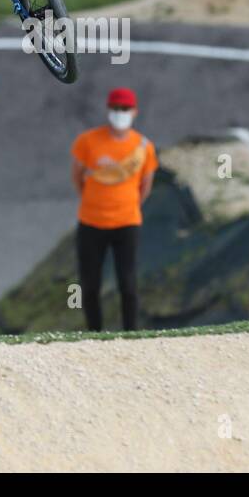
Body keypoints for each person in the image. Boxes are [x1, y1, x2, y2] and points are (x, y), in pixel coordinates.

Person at [70, 87, 158, 331]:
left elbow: (146, 185)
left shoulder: (144, 147)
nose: (120, 113)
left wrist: (128, 204)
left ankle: (131, 333)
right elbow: (77, 176)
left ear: (134, 112)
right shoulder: (87, 141)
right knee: (90, 285)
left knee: (128, 284)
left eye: (125, 109)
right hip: (91, 222)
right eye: (116, 108)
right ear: (109, 110)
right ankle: (95, 334)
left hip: (126, 223)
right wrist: (91, 199)